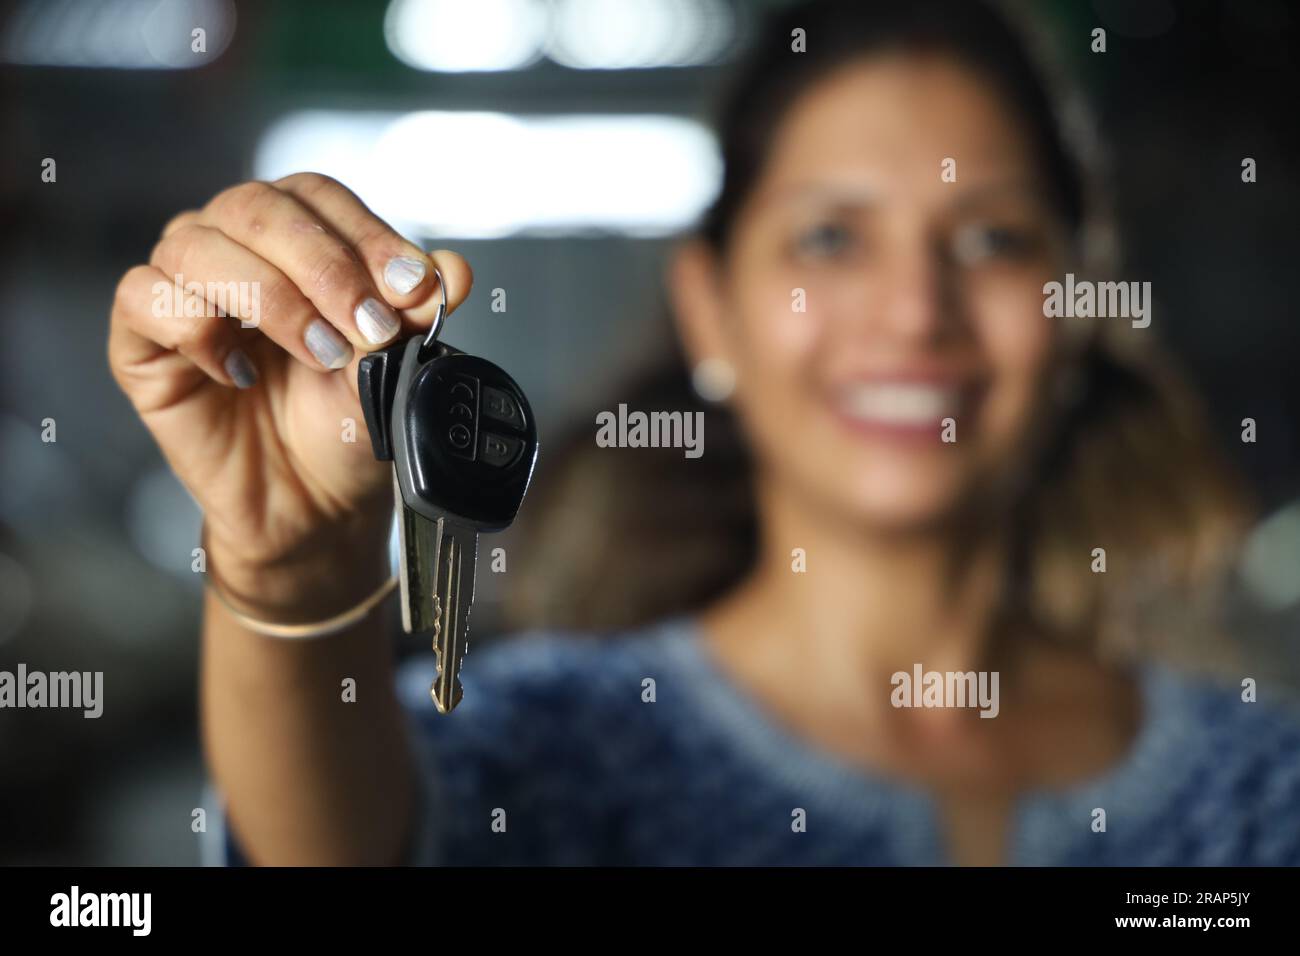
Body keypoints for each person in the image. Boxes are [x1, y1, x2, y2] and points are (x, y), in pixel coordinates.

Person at [109, 0, 1300, 866]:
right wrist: (289, 567)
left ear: (1075, 303)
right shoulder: (551, 745)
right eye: (830, 238)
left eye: (991, 239)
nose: (914, 310)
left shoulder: (1262, 790)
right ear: (708, 305)